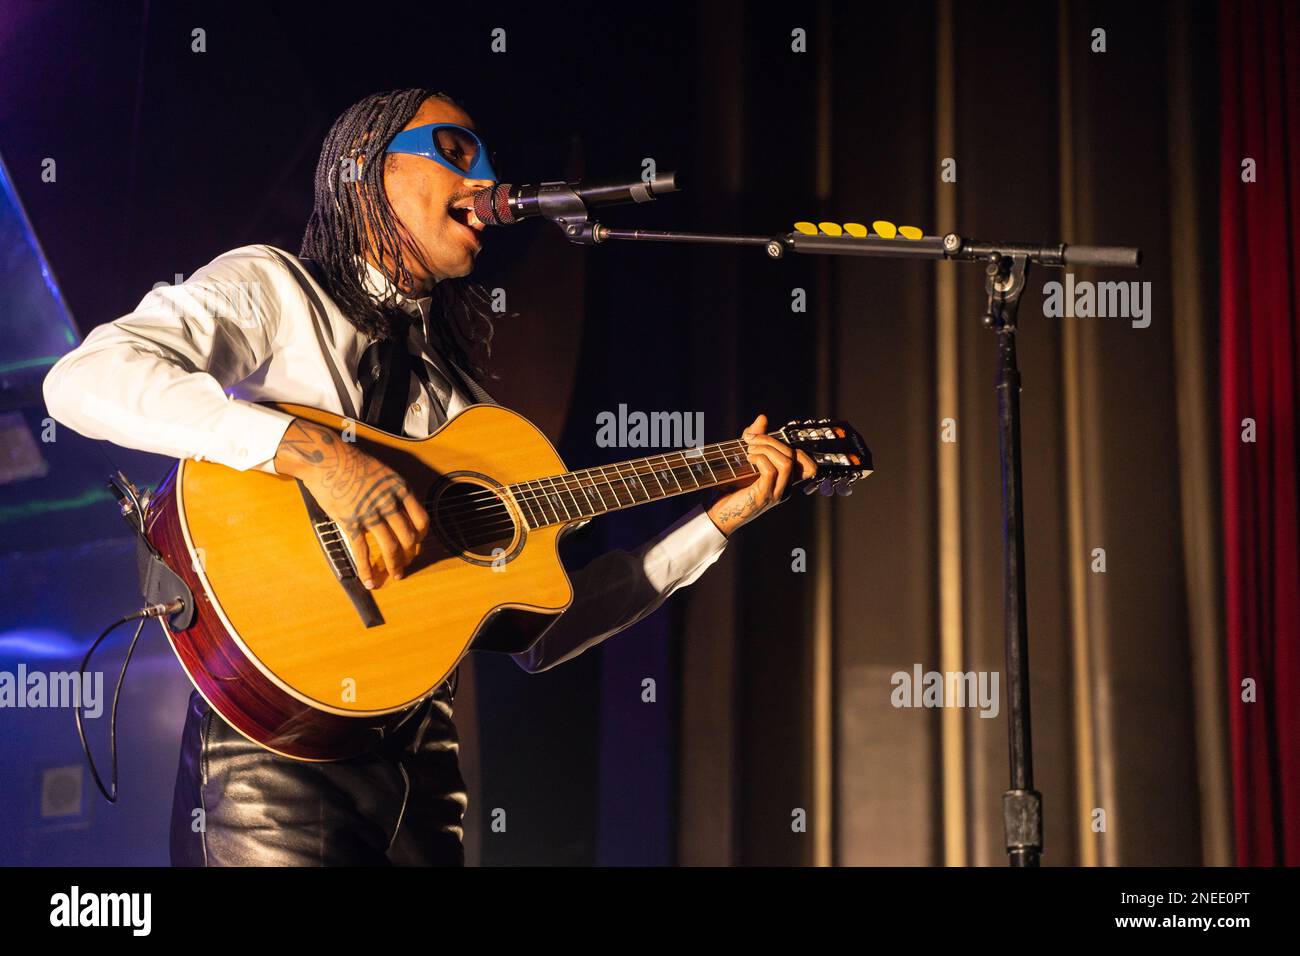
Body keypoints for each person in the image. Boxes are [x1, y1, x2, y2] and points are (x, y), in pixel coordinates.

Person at [42, 87, 815, 866]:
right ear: (364, 171)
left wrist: (716, 523)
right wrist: (320, 457)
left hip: (427, 773)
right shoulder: (276, 291)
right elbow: (84, 381)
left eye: (488, 160)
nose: (485, 179)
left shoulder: (467, 413)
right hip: (279, 760)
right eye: (454, 152)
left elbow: (544, 633)